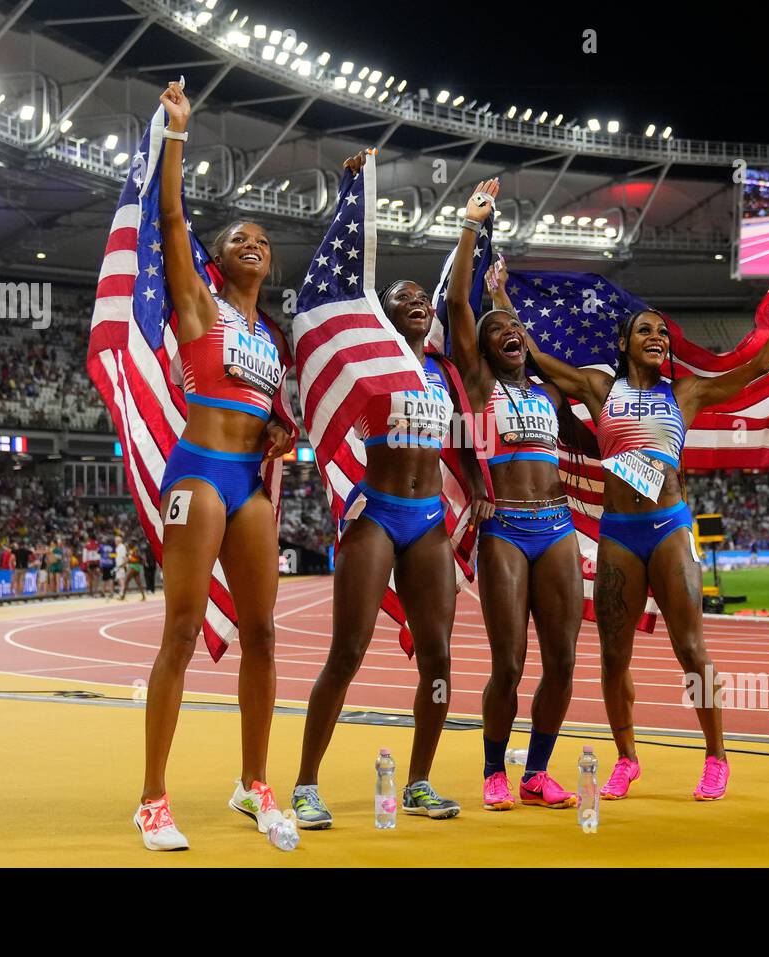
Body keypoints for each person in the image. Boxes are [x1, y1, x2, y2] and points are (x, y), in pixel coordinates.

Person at [526, 270, 769, 802]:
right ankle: (626, 760)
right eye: (645, 331)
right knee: (614, 655)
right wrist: (498, 295)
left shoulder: (687, 392)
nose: (657, 337)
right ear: (624, 344)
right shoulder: (599, 388)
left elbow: (759, 366)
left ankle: (716, 756)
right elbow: (536, 357)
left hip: (668, 528)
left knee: (690, 648)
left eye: (662, 331)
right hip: (617, 533)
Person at [134, 80, 296, 851]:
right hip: (198, 472)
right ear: (220, 258)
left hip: (250, 485)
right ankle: (152, 798)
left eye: (264, 238)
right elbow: (172, 217)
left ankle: (253, 780)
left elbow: (266, 413)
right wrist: (178, 133)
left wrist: (279, 434)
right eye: (239, 237)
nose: (254, 242)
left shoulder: (271, 339)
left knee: (264, 632)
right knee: (183, 628)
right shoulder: (196, 300)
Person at [289, 149, 470, 830]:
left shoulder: (444, 375)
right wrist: (348, 192)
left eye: (423, 300)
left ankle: (420, 779)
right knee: (349, 649)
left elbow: (461, 443)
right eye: (405, 301)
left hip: (428, 519)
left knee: (441, 656)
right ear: (385, 318)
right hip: (375, 512)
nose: (419, 306)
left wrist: (476, 491)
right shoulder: (370, 368)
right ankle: (306, 782)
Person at [445, 183, 591, 813]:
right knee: (509, 663)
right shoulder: (477, 383)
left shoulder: (548, 394)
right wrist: (471, 230)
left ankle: (536, 771)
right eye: (496, 328)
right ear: (481, 345)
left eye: (514, 329)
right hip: (505, 527)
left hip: (556, 526)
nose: (507, 331)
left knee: (561, 659)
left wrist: (507, 301)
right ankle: (492, 769)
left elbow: (540, 353)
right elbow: (457, 302)